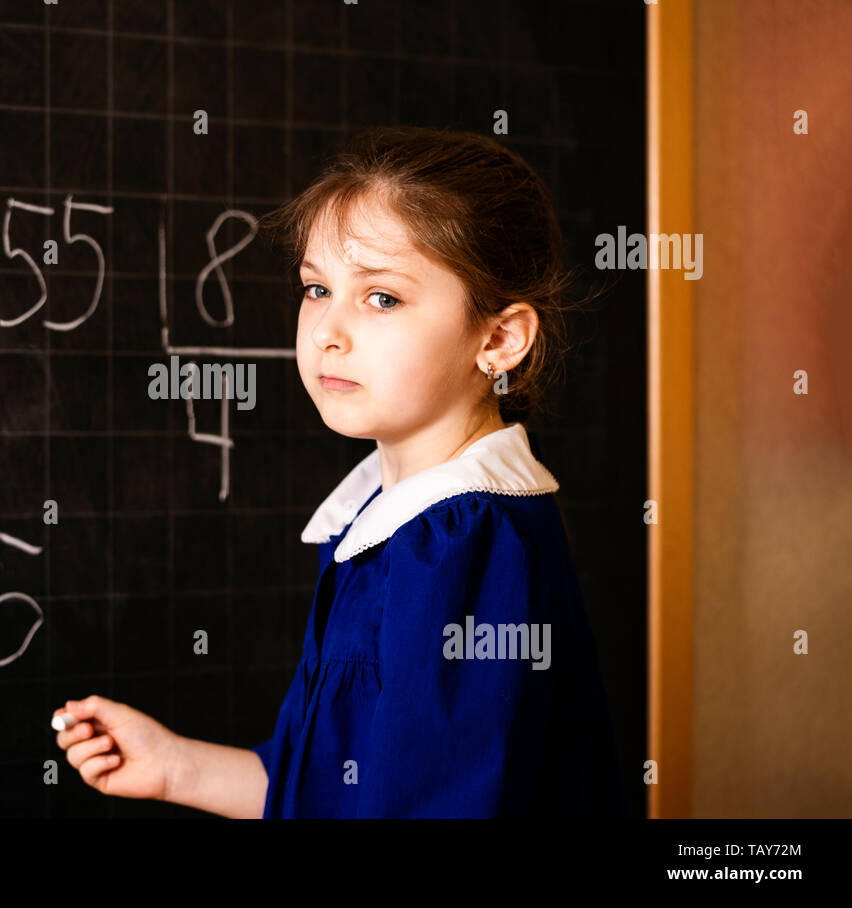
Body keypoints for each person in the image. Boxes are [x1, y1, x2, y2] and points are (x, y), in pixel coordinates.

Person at [54, 125, 626, 818]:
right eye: (317, 288)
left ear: (498, 339)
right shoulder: (390, 522)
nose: (328, 329)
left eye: (382, 298)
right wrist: (176, 768)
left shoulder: (461, 548)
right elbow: (327, 789)